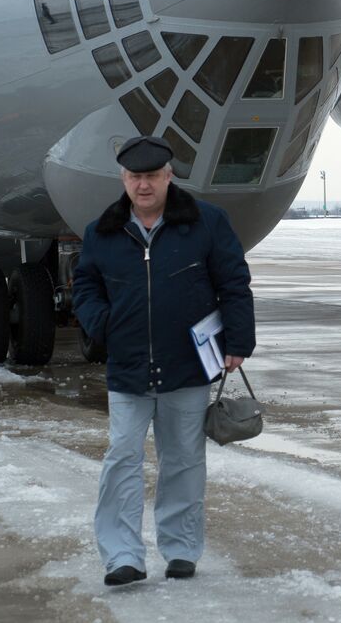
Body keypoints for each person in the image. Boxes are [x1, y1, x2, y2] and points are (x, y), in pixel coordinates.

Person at [73, 136, 255, 586]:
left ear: (169, 176)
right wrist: (102, 324)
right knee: (121, 459)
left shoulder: (207, 223)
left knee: (183, 460)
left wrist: (238, 341)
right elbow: (85, 286)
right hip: (128, 366)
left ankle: (180, 549)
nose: (144, 185)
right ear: (124, 180)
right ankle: (122, 557)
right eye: (135, 177)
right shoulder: (103, 231)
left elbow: (234, 282)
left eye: (152, 176)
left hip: (187, 367)